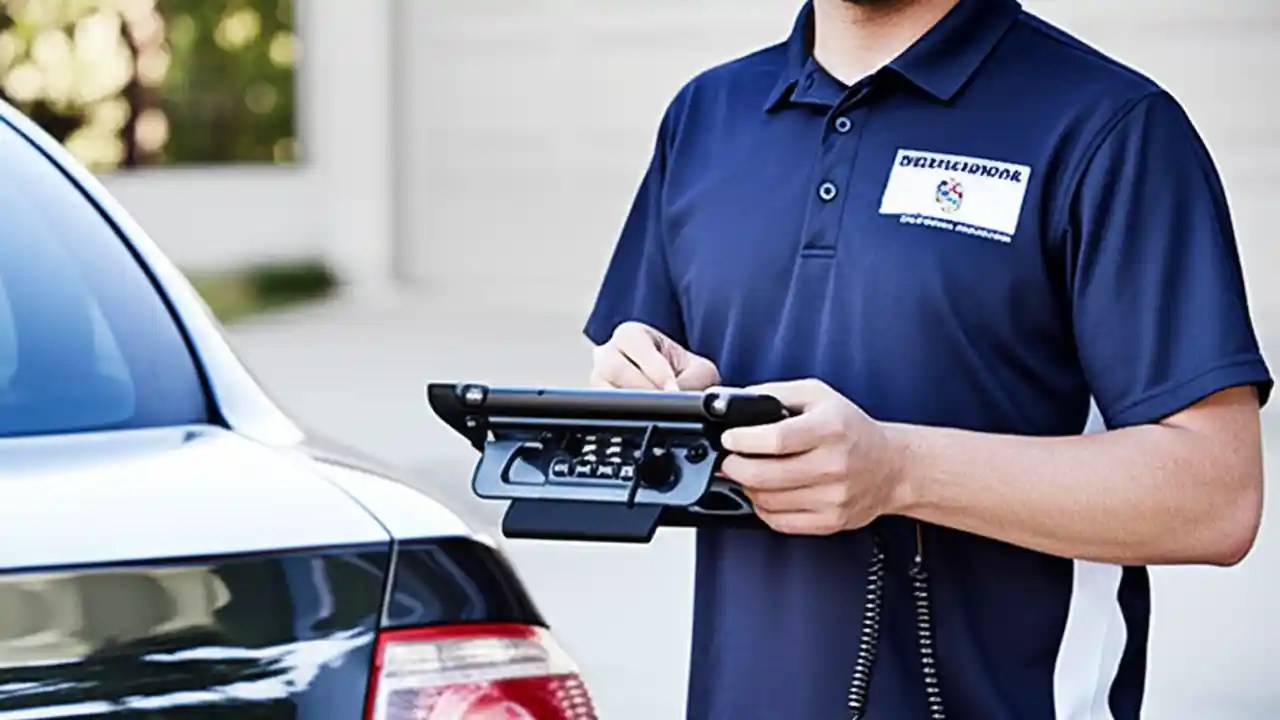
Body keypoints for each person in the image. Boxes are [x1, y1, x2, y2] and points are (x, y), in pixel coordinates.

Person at [582, 0, 1272, 718]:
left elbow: (1216, 500)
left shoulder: (1111, 126)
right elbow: (648, 407)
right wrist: (638, 393)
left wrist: (900, 471)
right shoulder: (706, 117)